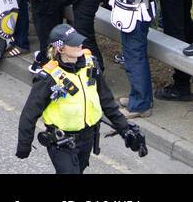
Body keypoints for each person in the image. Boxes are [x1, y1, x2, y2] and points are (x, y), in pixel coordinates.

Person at [15, 24, 146, 174]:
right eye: (74, 43)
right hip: (61, 142)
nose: (80, 44)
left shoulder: (91, 65)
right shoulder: (48, 78)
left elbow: (107, 101)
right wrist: (24, 146)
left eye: (79, 41)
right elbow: (29, 114)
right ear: (60, 48)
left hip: (88, 138)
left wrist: (125, 130)